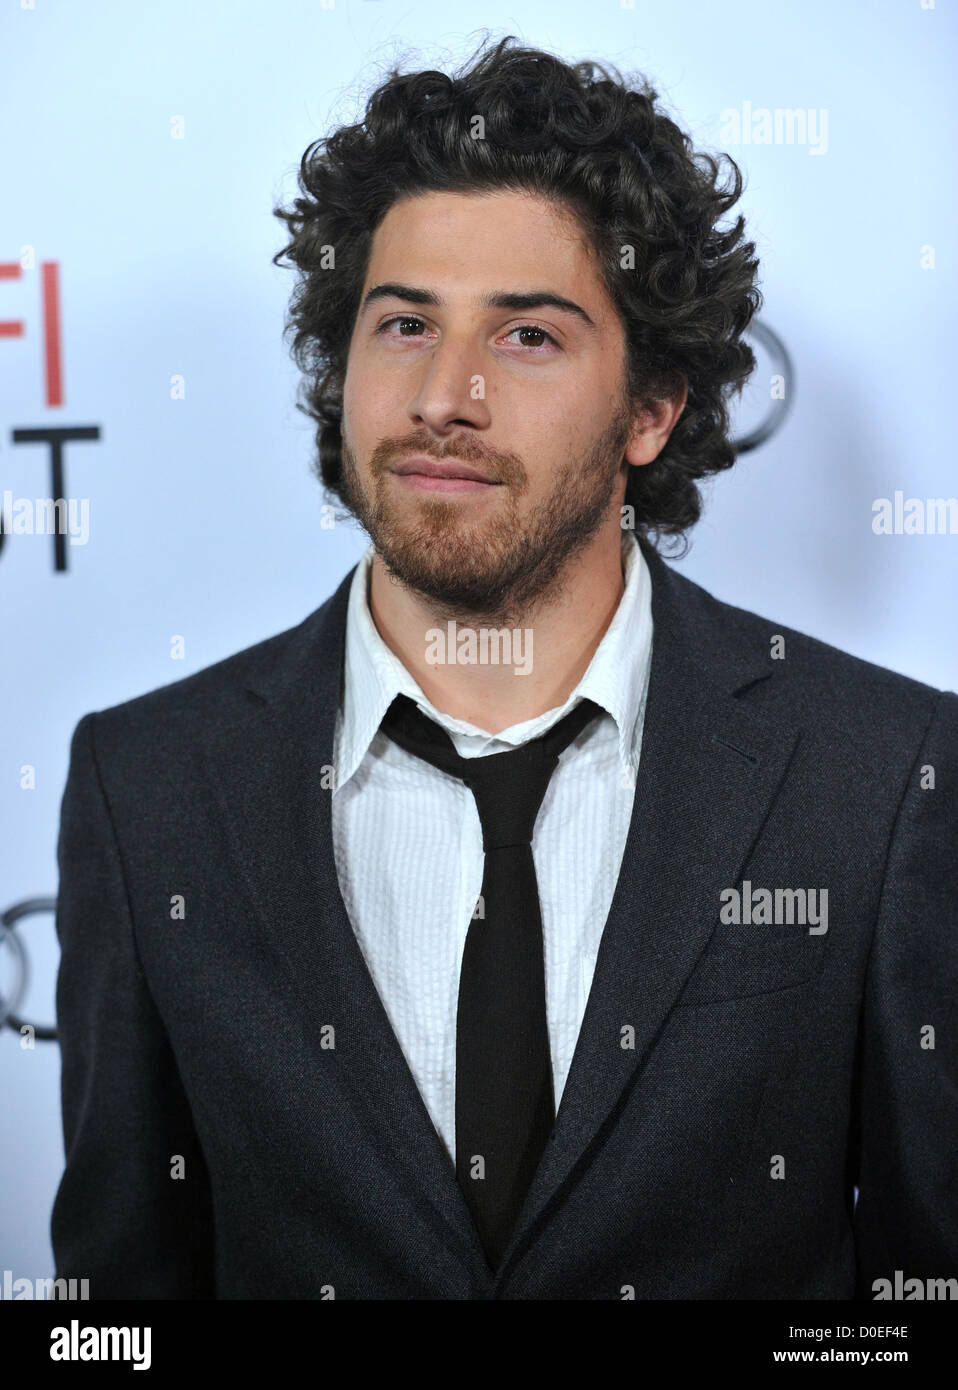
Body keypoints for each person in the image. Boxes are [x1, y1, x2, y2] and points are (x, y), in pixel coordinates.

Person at [51, 36, 957, 1299]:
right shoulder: (143, 785)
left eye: (527, 336)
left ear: (650, 409)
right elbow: (117, 1306)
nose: (444, 394)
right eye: (404, 323)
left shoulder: (880, 770)